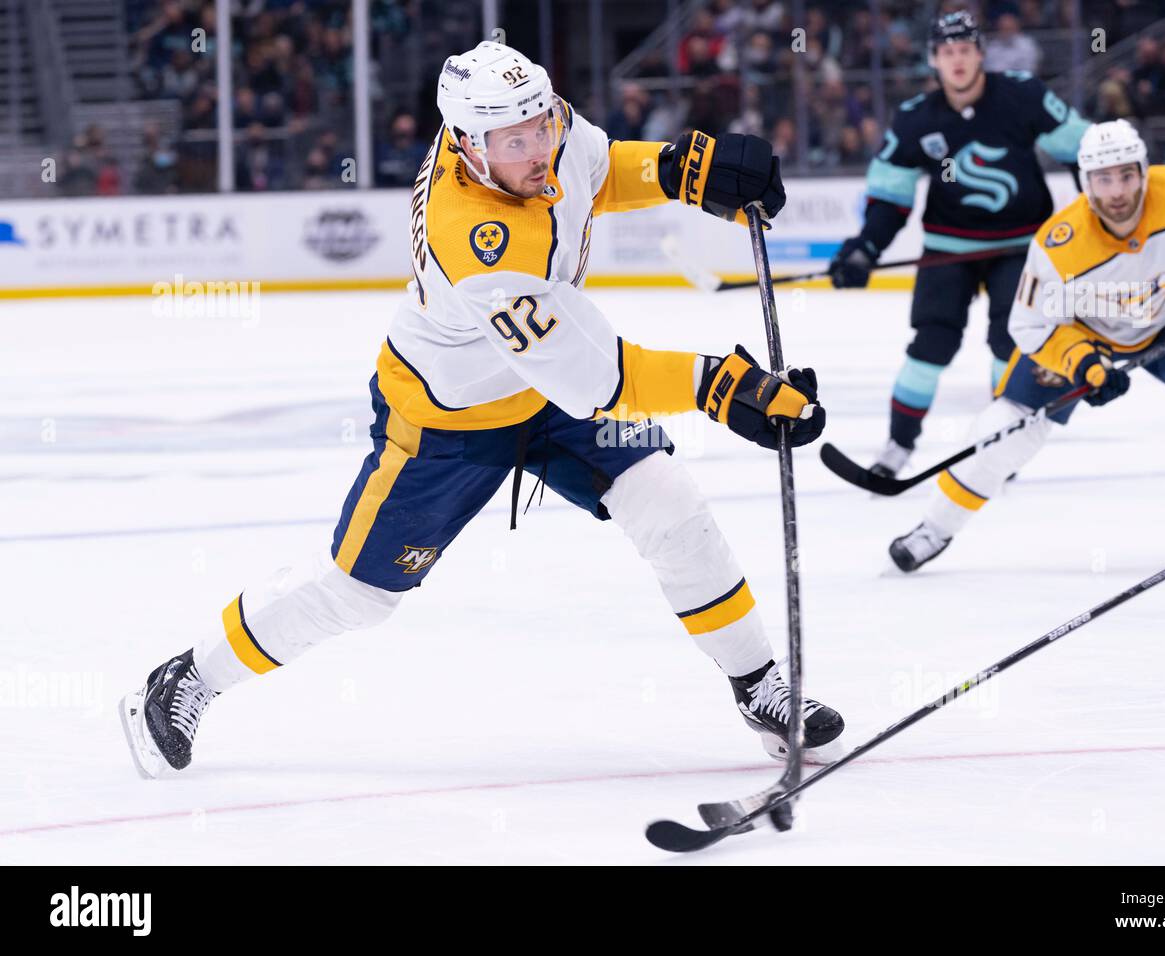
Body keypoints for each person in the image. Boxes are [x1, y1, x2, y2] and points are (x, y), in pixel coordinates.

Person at [120, 42, 844, 776]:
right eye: (517, 141)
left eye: (542, 126)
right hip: (449, 419)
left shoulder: (536, 127)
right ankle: (191, 676)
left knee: (666, 497)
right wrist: (722, 388)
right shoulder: (480, 242)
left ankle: (758, 685)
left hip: (547, 390)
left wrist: (681, 171)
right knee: (358, 595)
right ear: (468, 145)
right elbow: (600, 379)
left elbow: (594, 168)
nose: (539, 149)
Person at [887, 119, 1165, 572]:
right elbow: (1031, 326)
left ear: (1144, 170)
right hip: (1085, 335)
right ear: (1086, 183)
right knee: (1002, 433)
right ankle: (935, 528)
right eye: (1104, 180)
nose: (1118, 191)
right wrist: (1082, 361)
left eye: (1127, 175)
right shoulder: (1059, 244)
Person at [828, 10, 1088, 481]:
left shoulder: (1023, 96)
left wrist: (1098, 216)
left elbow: (1082, 150)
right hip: (949, 247)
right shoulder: (914, 120)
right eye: (947, 53)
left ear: (981, 54)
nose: (958, 61)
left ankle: (1000, 444)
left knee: (1009, 343)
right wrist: (865, 247)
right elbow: (889, 197)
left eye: (966, 50)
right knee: (932, 342)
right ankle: (897, 446)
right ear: (934, 61)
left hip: (1021, 247)